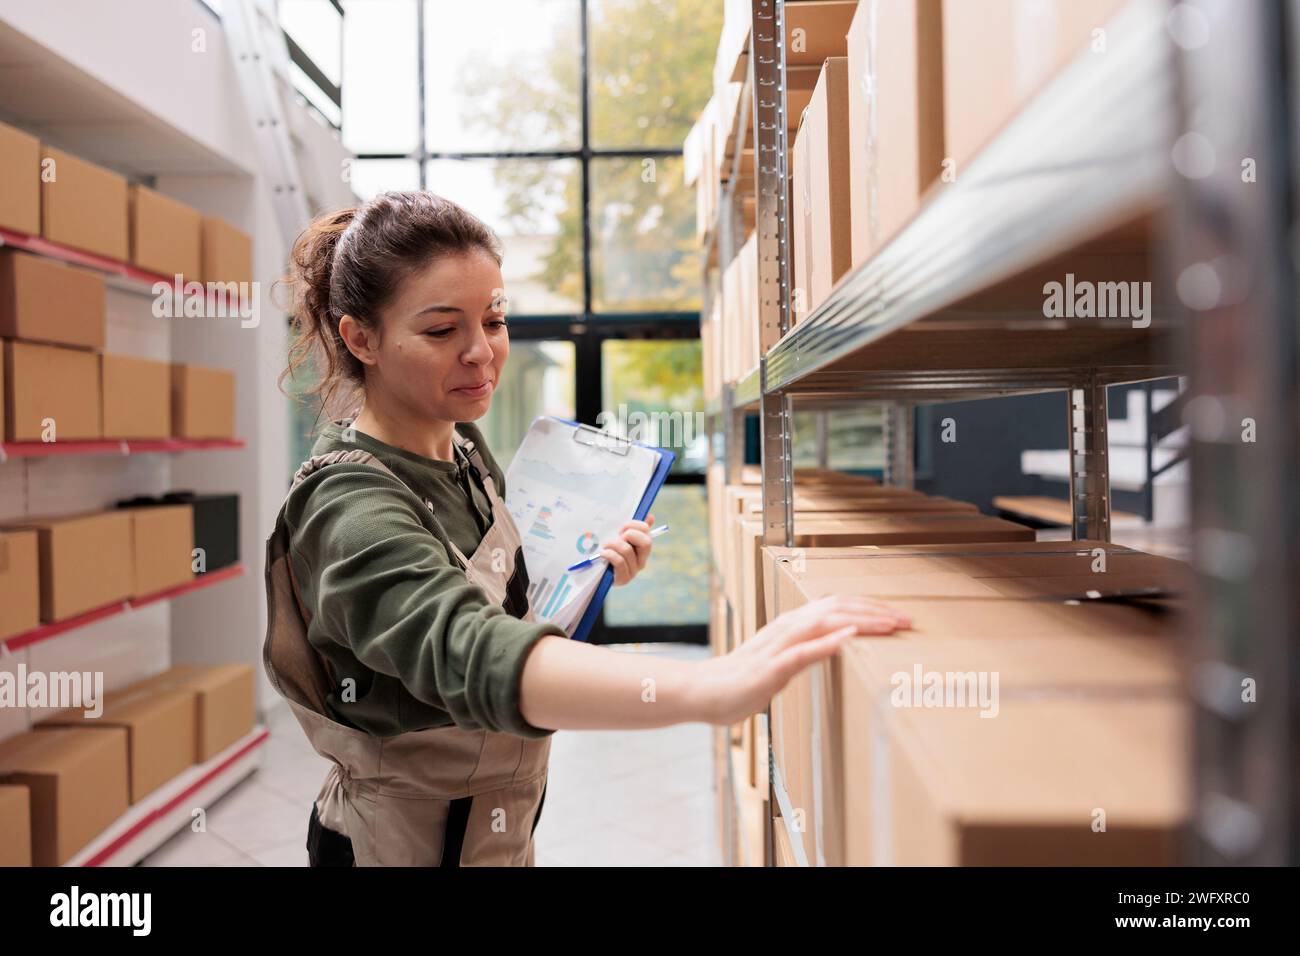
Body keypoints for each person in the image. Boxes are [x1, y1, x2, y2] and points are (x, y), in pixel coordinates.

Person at [265, 190, 911, 867]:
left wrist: (583, 577)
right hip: (392, 846)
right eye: (441, 330)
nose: (481, 352)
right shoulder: (347, 505)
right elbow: (468, 649)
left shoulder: (466, 453)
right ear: (360, 338)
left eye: (494, 318)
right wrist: (706, 688)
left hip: (492, 827)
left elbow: (505, 607)